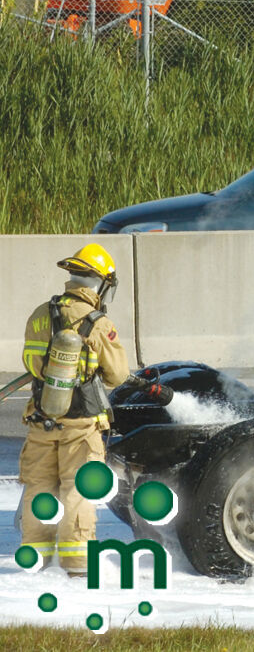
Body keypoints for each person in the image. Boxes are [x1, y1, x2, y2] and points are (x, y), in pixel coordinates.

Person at [19, 243, 129, 578]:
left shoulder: (41, 313)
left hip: (42, 421)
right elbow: (118, 375)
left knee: (39, 488)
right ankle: (78, 564)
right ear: (100, 282)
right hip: (82, 426)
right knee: (78, 490)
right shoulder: (98, 323)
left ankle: (35, 559)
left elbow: (31, 363)